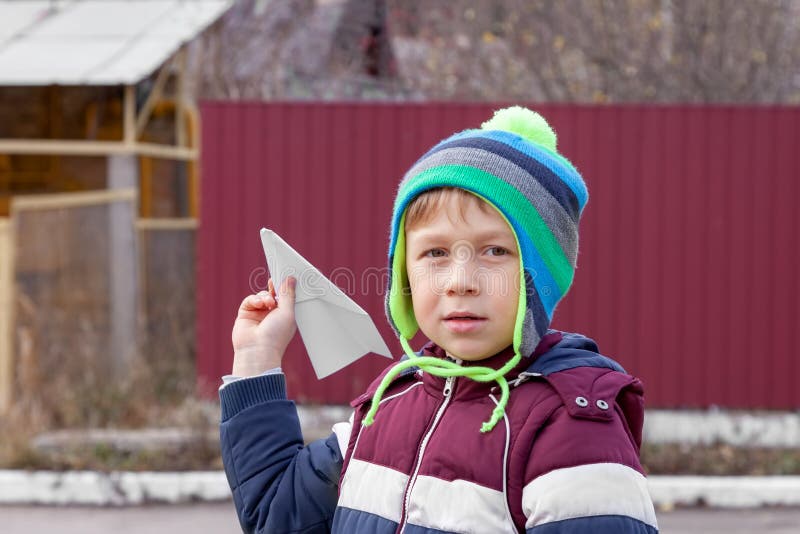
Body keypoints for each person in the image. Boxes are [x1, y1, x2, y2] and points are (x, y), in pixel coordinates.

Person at [219, 106, 659, 533]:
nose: (460, 282)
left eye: (495, 251)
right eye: (435, 253)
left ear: (540, 274)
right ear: (403, 273)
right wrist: (257, 360)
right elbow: (277, 516)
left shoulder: (574, 429)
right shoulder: (384, 409)